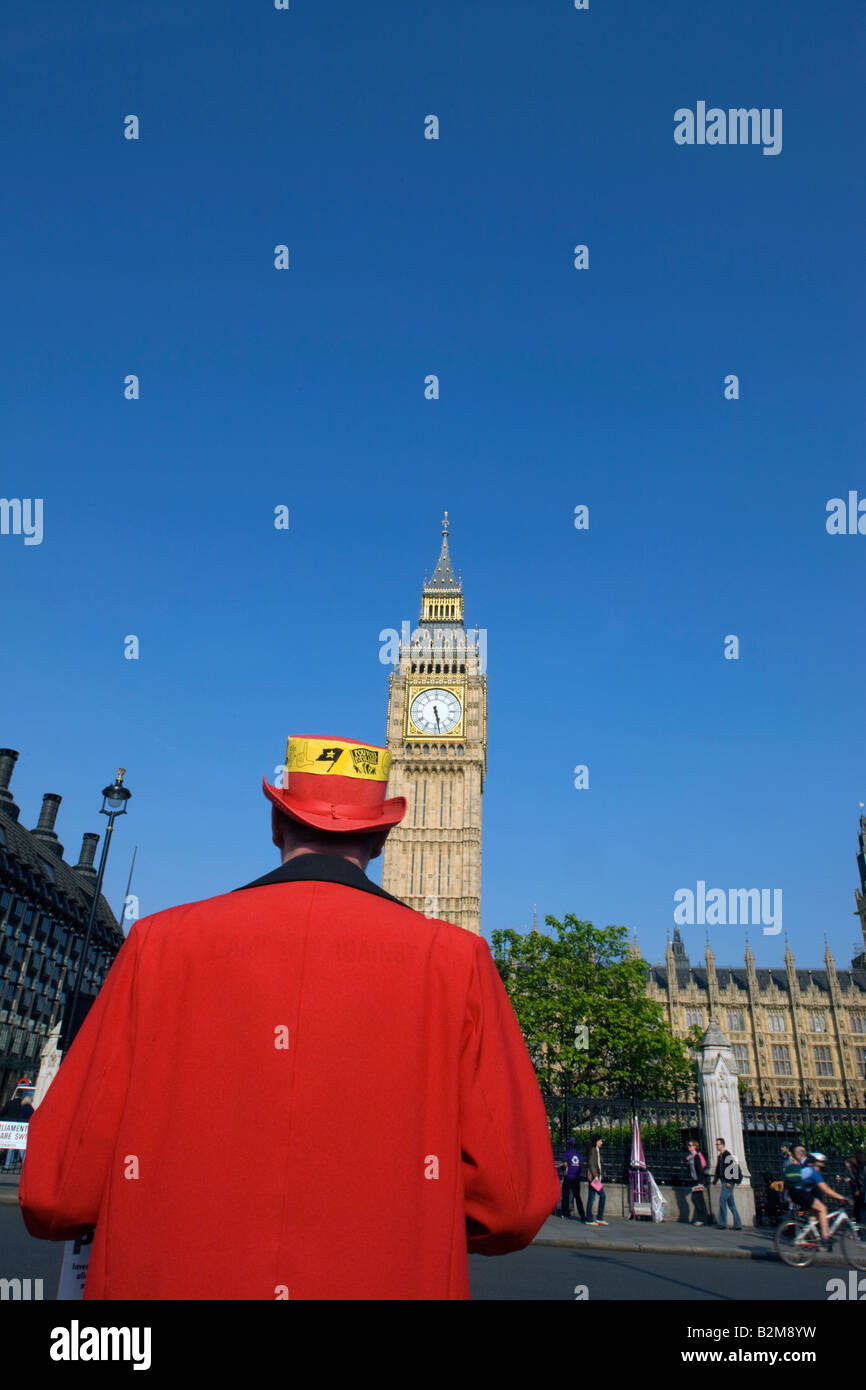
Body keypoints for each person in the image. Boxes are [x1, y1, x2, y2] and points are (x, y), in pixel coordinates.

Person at [20, 735, 559, 1300]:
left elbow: (57, 1192)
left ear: (276, 826)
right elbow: (514, 1202)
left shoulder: (158, 943)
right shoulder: (456, 960)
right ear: (380, 836)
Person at [784, 1150, 847, 1250]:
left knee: (816, 1215)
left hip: (796, 1192)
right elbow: (826, 1189)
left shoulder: (809, 1170)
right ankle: (825, 1239)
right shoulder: (813, 1172)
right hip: (798, 1193)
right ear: (818, 1162)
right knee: (822, 1208)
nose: (823, 1165)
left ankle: (808, 1238)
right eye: (822, 1163)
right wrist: (842, 1197)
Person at [712, 1137, 743, 1230]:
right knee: (731, 1204)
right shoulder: (720, 1156)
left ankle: (723, 1223)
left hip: (728, 1182)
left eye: (718, 1144)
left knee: (722, 1201)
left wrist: (730, 1181)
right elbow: (718, 1170)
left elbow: (732, 1169)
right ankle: (737, 1224)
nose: (716, 1146)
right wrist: (714, 1182)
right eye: (716, 1144)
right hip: (724, 1181)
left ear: (722, 1145)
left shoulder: (727, 1155)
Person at [561, 1137, 586, 1221]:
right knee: (577, 1196)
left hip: (568, 1176)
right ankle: (582, 1214)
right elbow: (580, 1166)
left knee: (565, 1195)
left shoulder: (566, 1153)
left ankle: (565, 1212)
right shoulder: (578, 1154)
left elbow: (565, 1164)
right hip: (576, 1177)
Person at [686, 1139, 708, 1225]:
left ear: (695, 1146)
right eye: (688, 1145)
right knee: (698, 1199)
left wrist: (700, 1182)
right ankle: (703, 1219)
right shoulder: (690, 1157)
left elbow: (700, 1169)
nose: (689, 1147)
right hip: (694, 1180)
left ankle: (702, 1219)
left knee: (696, 1199)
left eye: (690, 1145)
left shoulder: (697, 1156)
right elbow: (689, 1169)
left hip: (698, 1180)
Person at [585, 1136, 607, 1225]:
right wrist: (596, 1176)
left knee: (592, 1196)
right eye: (600, 1140)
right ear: (597, 1141)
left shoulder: (596, 1150)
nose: (601, 1142)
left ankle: (591, 1217)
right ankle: (597, 1217)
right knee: (602, 1195)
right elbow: (591, 1163)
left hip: (595, 1177)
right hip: (594, 1178)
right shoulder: (593, 1150)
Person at [845, 1149, 865, 1225]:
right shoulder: (858, 1167)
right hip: (859, 1194)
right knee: (860, 1213)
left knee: (861, 1213)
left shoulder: (859, 1168)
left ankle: (861, 1232)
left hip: (860, 1194)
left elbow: (859, 1182)